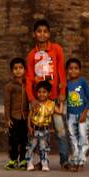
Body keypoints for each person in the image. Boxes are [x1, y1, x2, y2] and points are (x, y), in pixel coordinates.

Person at [25, 18, 69, 169]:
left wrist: (62, 91)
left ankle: (64, 160)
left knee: (60, 130)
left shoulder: (56, 50)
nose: (42, 34)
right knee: (37, 132)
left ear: (49, 34)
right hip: (39, 99)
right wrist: (32, 99)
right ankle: (40, 161)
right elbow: (30, 78)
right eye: (39, 31)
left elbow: (61, 72)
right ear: (34, 34)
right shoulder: (32, 55)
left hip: (54, 97)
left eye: (45, 31)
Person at [64, 57, 89, 171]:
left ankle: (81, 161)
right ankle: (75, 160)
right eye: (70, 68)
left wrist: (85, 113)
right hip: (70, 115)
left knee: (83, 137)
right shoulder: (66, 84)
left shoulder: (83, 82)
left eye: (76, 68)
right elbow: (64, 98)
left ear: (80, 70)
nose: (73, 71)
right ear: (67, 70)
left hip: (82, 115)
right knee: (73, 138)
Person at [3, 56, 28, 170]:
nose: (18, 70)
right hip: (14, 116)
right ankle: (13, 160)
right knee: (14, 139)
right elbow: (7, 103)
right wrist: (7, 119)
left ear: (25, 69)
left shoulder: (27, 84)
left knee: (24, 139)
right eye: (15, 68)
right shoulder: (9, 86)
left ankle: (23, 160)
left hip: (26, 117)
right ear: (12, 71)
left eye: (21, 68)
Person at [26, 79, 57, 171]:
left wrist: (62, 102)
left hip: (45, 130)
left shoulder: (51, 104)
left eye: (44, 92)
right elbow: (29, 116)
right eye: (39, 92)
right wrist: (29, 126)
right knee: (31, 146)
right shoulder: (35, 104)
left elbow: (59, 111)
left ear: (49, 93)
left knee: (44, 147)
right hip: (34, 129)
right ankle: (29, 162)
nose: (41, 94)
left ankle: (44, 163)